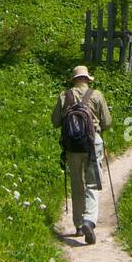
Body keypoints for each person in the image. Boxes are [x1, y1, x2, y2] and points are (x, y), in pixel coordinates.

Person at [51, 65, 112, 244]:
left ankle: (78, 224)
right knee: (92, 184)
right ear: (87, 79)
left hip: (72, 147)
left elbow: (55, 122)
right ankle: (89, 221)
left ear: (74, 79)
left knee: (77, 183)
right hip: (93, 144)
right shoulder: (97, 95)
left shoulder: (64, 95)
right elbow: (107, 122)